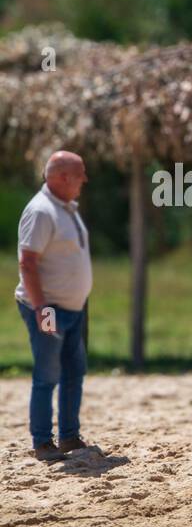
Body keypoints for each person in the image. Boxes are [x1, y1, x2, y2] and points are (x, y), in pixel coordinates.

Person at [15, 151, 94, 460]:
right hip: (50, 309)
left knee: (74, 371)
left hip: (72, 309)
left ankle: (69, 437)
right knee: (48, 373)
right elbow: (28, 263)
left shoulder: (65, 209)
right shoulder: (41, 211)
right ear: (63, 177)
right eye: (81, 173)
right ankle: (42, 441)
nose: (85, 179)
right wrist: (42, 308)